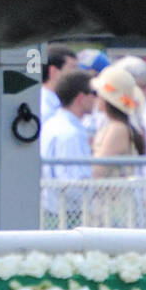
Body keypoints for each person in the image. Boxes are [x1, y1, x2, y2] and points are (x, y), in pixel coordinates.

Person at [39, 69, 97, 226]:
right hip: (66, 218)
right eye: (94, 92)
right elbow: (72, 185)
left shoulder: (52, 124)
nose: (97, 98)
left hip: (53, 212)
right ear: (80, 97)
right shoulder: (70, 134)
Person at [91, 64, 146, 161]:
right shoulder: (115, 126)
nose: (96, 97)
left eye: (97, 92)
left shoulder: (118, 129)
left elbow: (98, 169)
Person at [39, 46, 78, 122]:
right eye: (72, 68)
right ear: (53, 71)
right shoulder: (45, 109)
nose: (77, 73)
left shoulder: (56, 102)